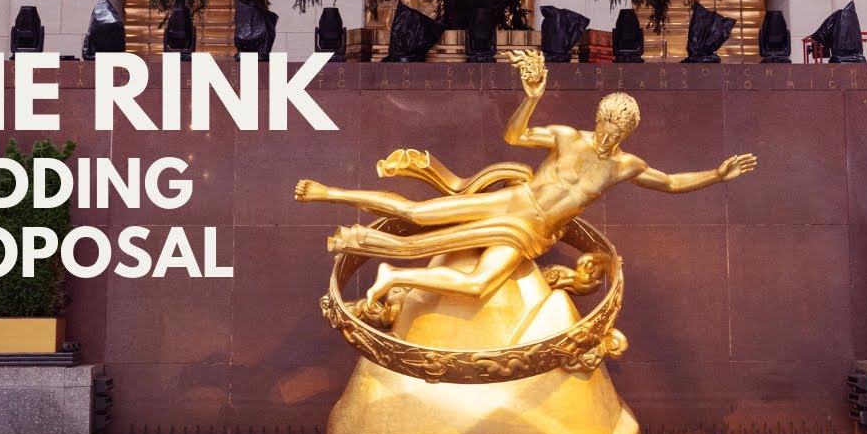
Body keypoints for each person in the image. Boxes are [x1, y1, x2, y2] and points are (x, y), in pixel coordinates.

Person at [294, 48, 757, 311]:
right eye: (604, 124)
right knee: (418, 214)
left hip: (531, 234)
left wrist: (717, 175)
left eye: (618, 130)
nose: (607, 134)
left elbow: (671, 183)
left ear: (627, 132)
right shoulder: (566, 137)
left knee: (479, 285)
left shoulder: (625, 166)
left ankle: (393, 274)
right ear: (597, 119)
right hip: (512, 204)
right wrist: (531, 97)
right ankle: (327, 193)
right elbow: (514, 134)